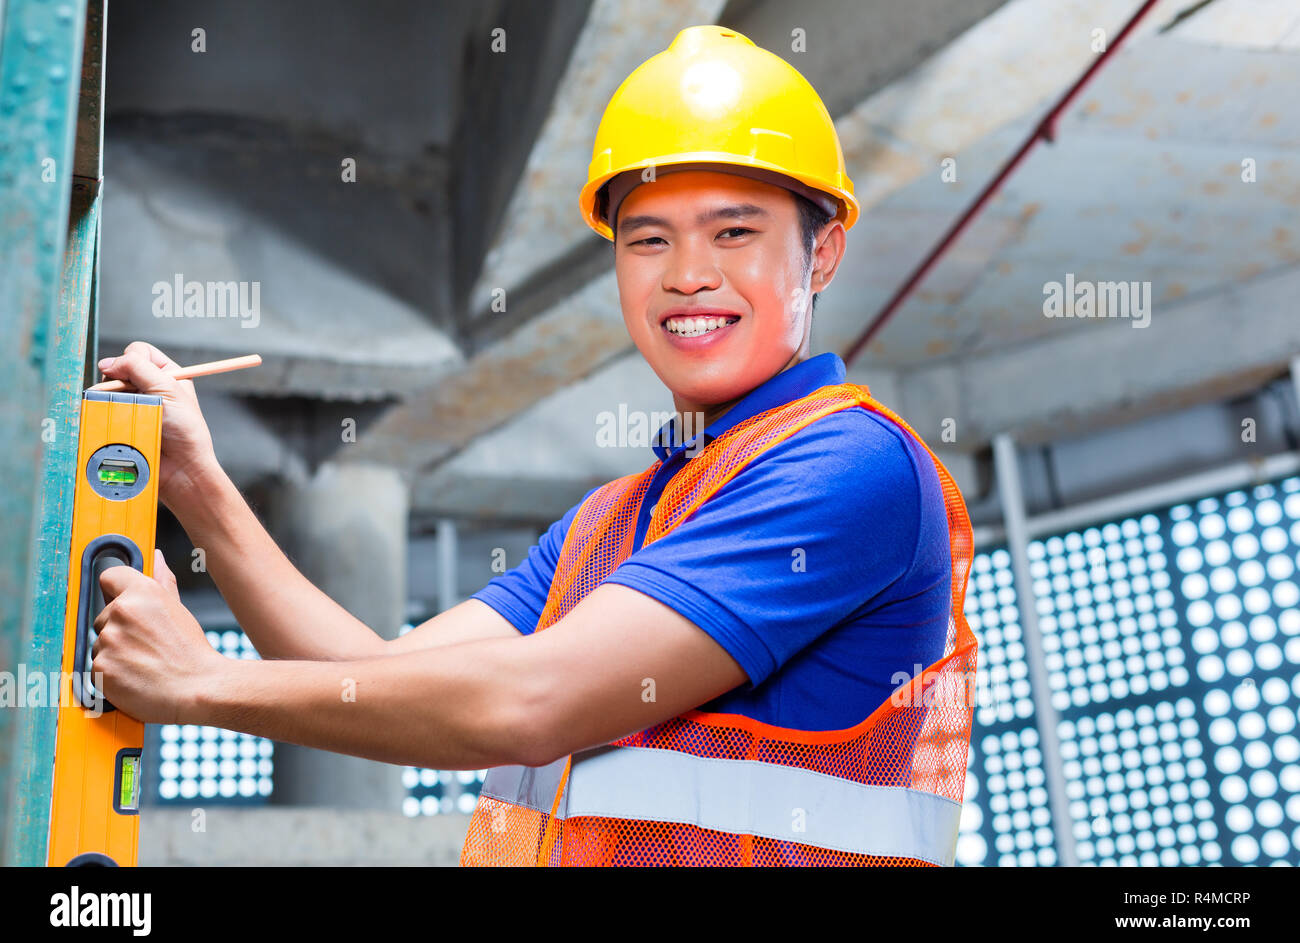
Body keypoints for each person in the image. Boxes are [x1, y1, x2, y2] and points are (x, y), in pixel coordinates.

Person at [91, 25, 976, 866]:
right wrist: (196, 481)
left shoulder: (850, 469)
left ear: (823, 253)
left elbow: (529, 701)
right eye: (648, 239)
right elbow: (369, 678)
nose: (688, 274)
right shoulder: (609, 524)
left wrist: (200, 683)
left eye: (734, 231)